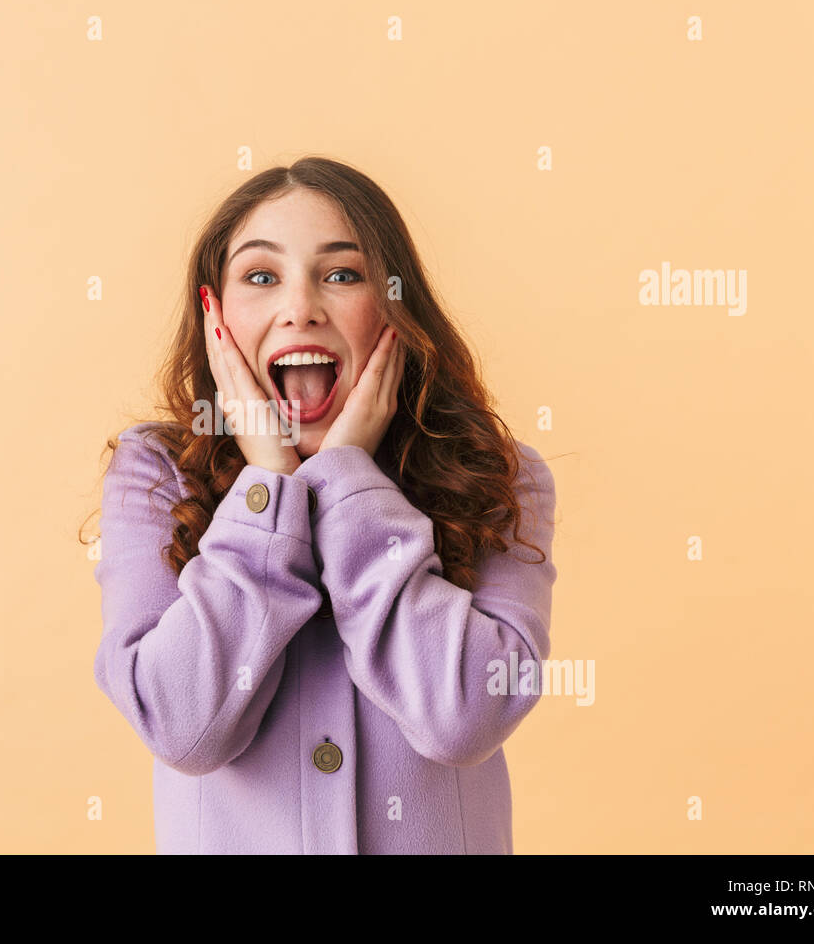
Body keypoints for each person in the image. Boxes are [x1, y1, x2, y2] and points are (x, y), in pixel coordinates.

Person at [86, 155, 557, 853]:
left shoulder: (495, 477)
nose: (301, 306)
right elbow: (182, 728)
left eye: (342, 274)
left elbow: (464, 717)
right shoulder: (157, 474)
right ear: (215, 316)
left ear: (395, 306)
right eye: (261, 277)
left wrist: (346, 480)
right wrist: (267, 485)